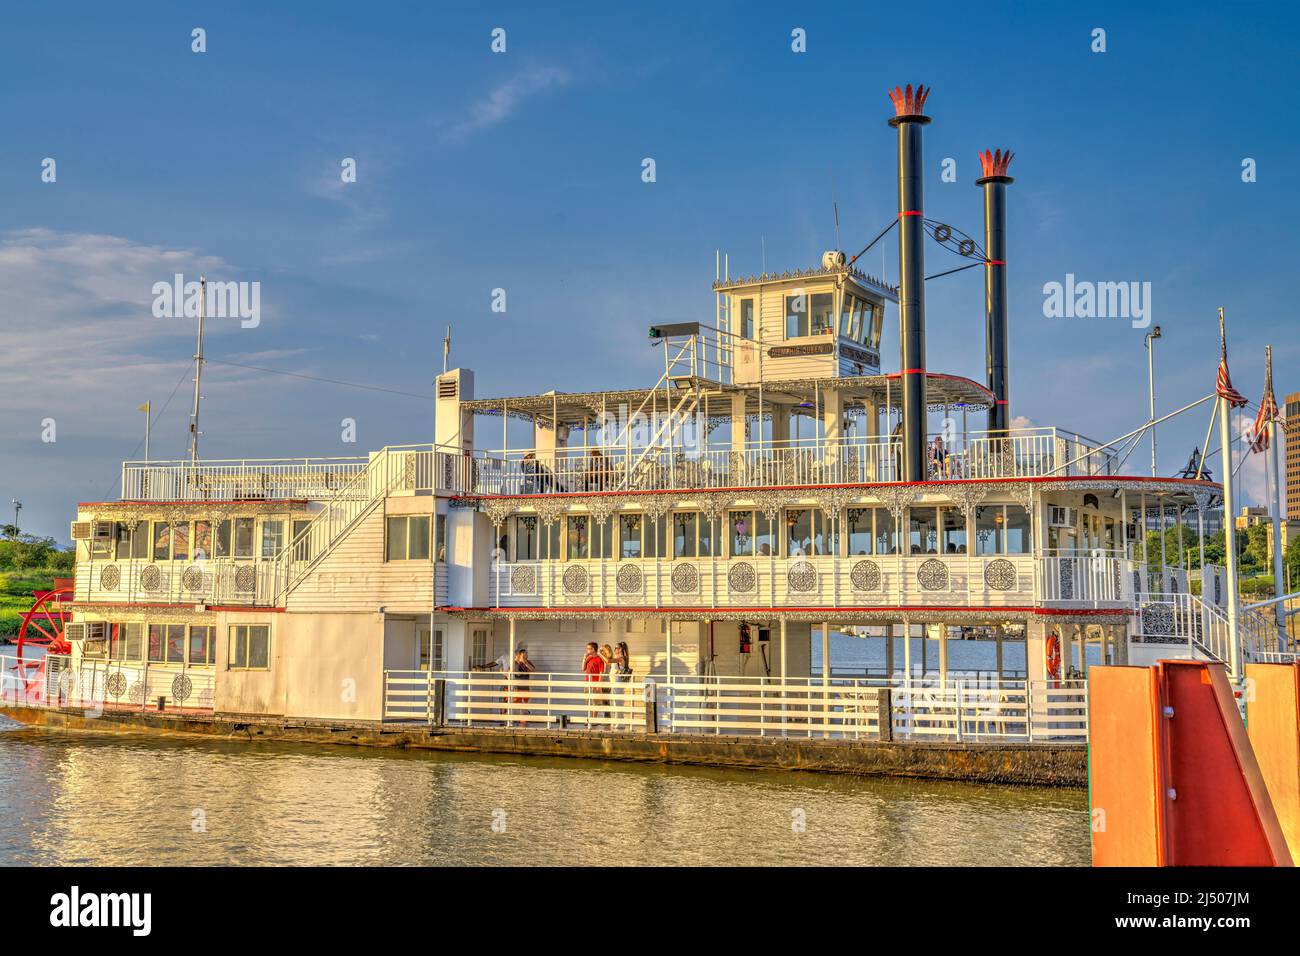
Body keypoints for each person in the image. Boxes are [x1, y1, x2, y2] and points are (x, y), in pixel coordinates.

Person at [509, 646, 535, 726]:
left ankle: (522, 721)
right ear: (520, 655)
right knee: (515, 703)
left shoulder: (528, 662)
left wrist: (525, 662)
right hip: (517, 686)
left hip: (525, 686)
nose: (525, 656)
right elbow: (511, 672)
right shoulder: (515, 663)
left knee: (523, 704)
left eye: (526, 654)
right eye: (524, 655)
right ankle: (512, 720)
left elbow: (533, 670)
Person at [582, 642, 605, 720]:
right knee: (589, 702)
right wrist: (584, 658)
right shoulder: (589, 658)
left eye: (589, 648)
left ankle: (594, 719)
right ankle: (589, 719)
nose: (587, 650)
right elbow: (583, 669)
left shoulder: (599, 659)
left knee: (595, 702)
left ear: (593, 649)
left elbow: (601, 673)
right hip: (588, 682)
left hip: (595, 683)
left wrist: (599, 685)